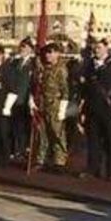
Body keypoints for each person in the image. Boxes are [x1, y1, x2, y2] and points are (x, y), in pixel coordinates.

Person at [82, 38, 111, 180]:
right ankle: (93, 169)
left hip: (109, 109)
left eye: (100, 48)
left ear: (107, 48)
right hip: (92, 109)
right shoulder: (90, 65)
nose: (97, 50)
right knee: (93, 141)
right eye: (95, 48)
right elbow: (86, 88)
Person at [30, 42, 70, 173]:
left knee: (57, 134)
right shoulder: (44, 68)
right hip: (43, 104)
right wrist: (33, 101)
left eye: (51, 52)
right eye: (47, 53)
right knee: (43, 134)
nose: (48, 55)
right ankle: (41, 160)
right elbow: (38, 86)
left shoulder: (61, 69)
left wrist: (63, 109)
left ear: (57, 54)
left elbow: (65, 90)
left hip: (55, 105)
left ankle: (60, 161)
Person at [10, 38, 36, 162]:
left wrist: (32, 99)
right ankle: (16, 149)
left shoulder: (34, 64)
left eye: (25, 47)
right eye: (21, 47)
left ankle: (24, 149)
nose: (22, 50)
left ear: (30, 49)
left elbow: (34, 84)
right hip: (14, 99)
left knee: (25, 126)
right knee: (15, 125)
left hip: (26, 100)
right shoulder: (15, 63)